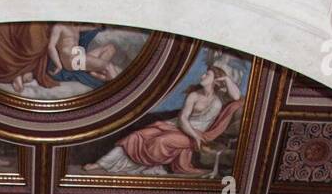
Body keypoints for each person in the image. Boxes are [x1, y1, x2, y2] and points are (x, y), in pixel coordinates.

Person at [87, 66, 243, 176]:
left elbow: (237, 97)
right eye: (203, 74)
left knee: (160, 141)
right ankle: (102, 164)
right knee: (137, 135)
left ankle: (150, 165)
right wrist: (193, 136)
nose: (202, 76)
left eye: (207, 75)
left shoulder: (220, 98)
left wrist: (227, 79)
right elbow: (182, 118)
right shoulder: (194, 95)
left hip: (198, 135)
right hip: (182, 128)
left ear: (216, 80)